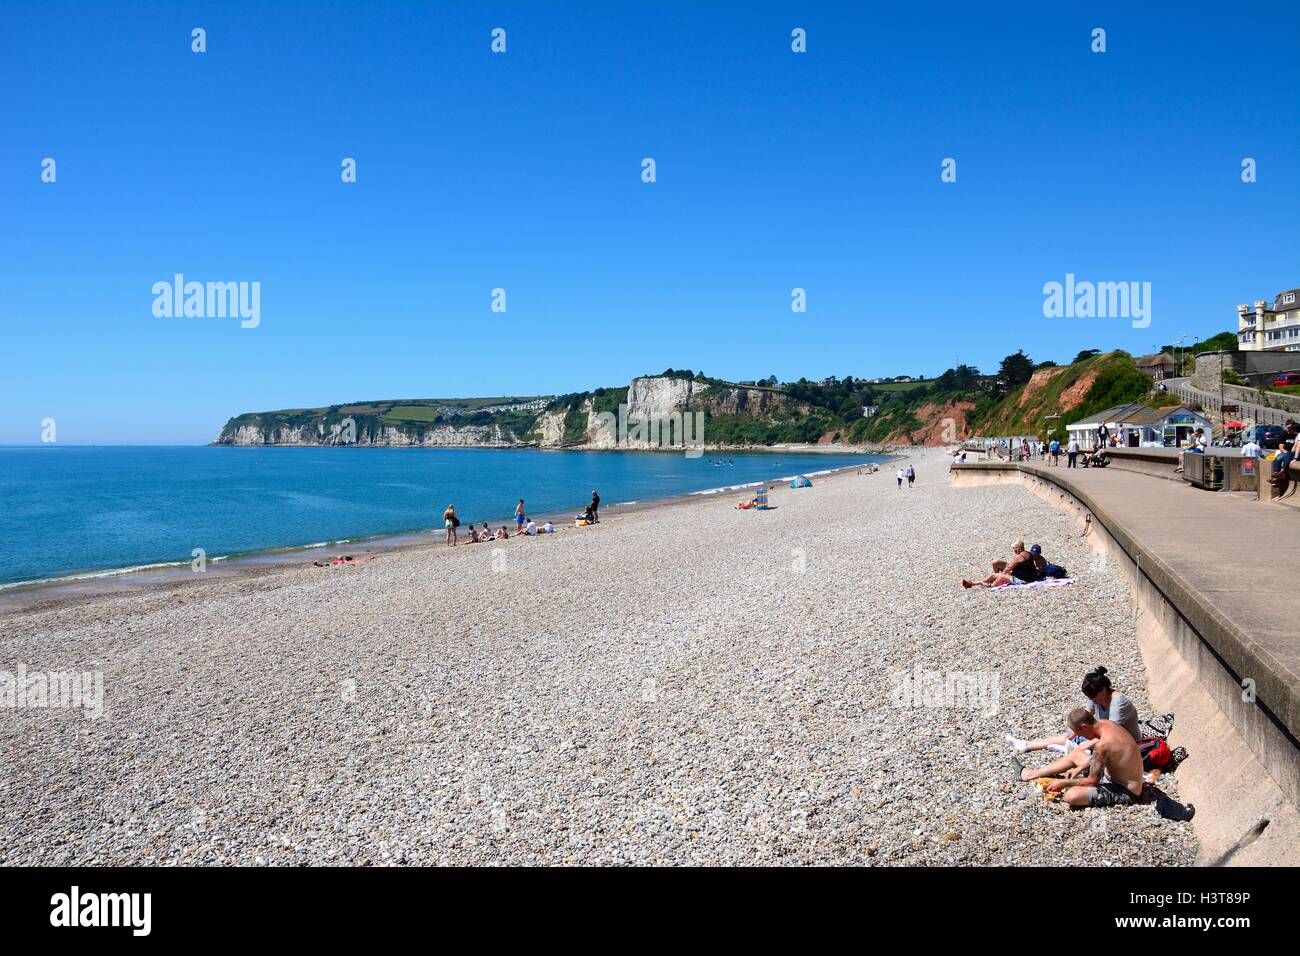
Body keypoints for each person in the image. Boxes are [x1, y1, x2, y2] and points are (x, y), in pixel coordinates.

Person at [1022, 709, 1146, 808]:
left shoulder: (1102, 746)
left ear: (1085, 726)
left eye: (1078, 732)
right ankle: (1032, 774)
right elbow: (1107, 757)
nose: (1078, 736)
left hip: (1127, 790)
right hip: (1121, 774)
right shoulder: (1107, 724)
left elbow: (1092, 781)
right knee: (1076, 753)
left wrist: (1064, 783)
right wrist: (1080, 768)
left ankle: (1055, 781)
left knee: (1071, 796)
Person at [1007, 666, 1139, 755]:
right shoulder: (1096, 696)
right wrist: (1075, 731)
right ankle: (1027, 745)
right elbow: (1086, 714)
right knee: (1071, 735)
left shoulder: (1119, 703)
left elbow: (1112, 734)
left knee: (1080, 742)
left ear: (1103, 690)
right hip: (1104, 734)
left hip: (1123, 743)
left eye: (1093, 697)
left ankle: (1072, 750)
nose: (1091, 700)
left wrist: (1086, 741)